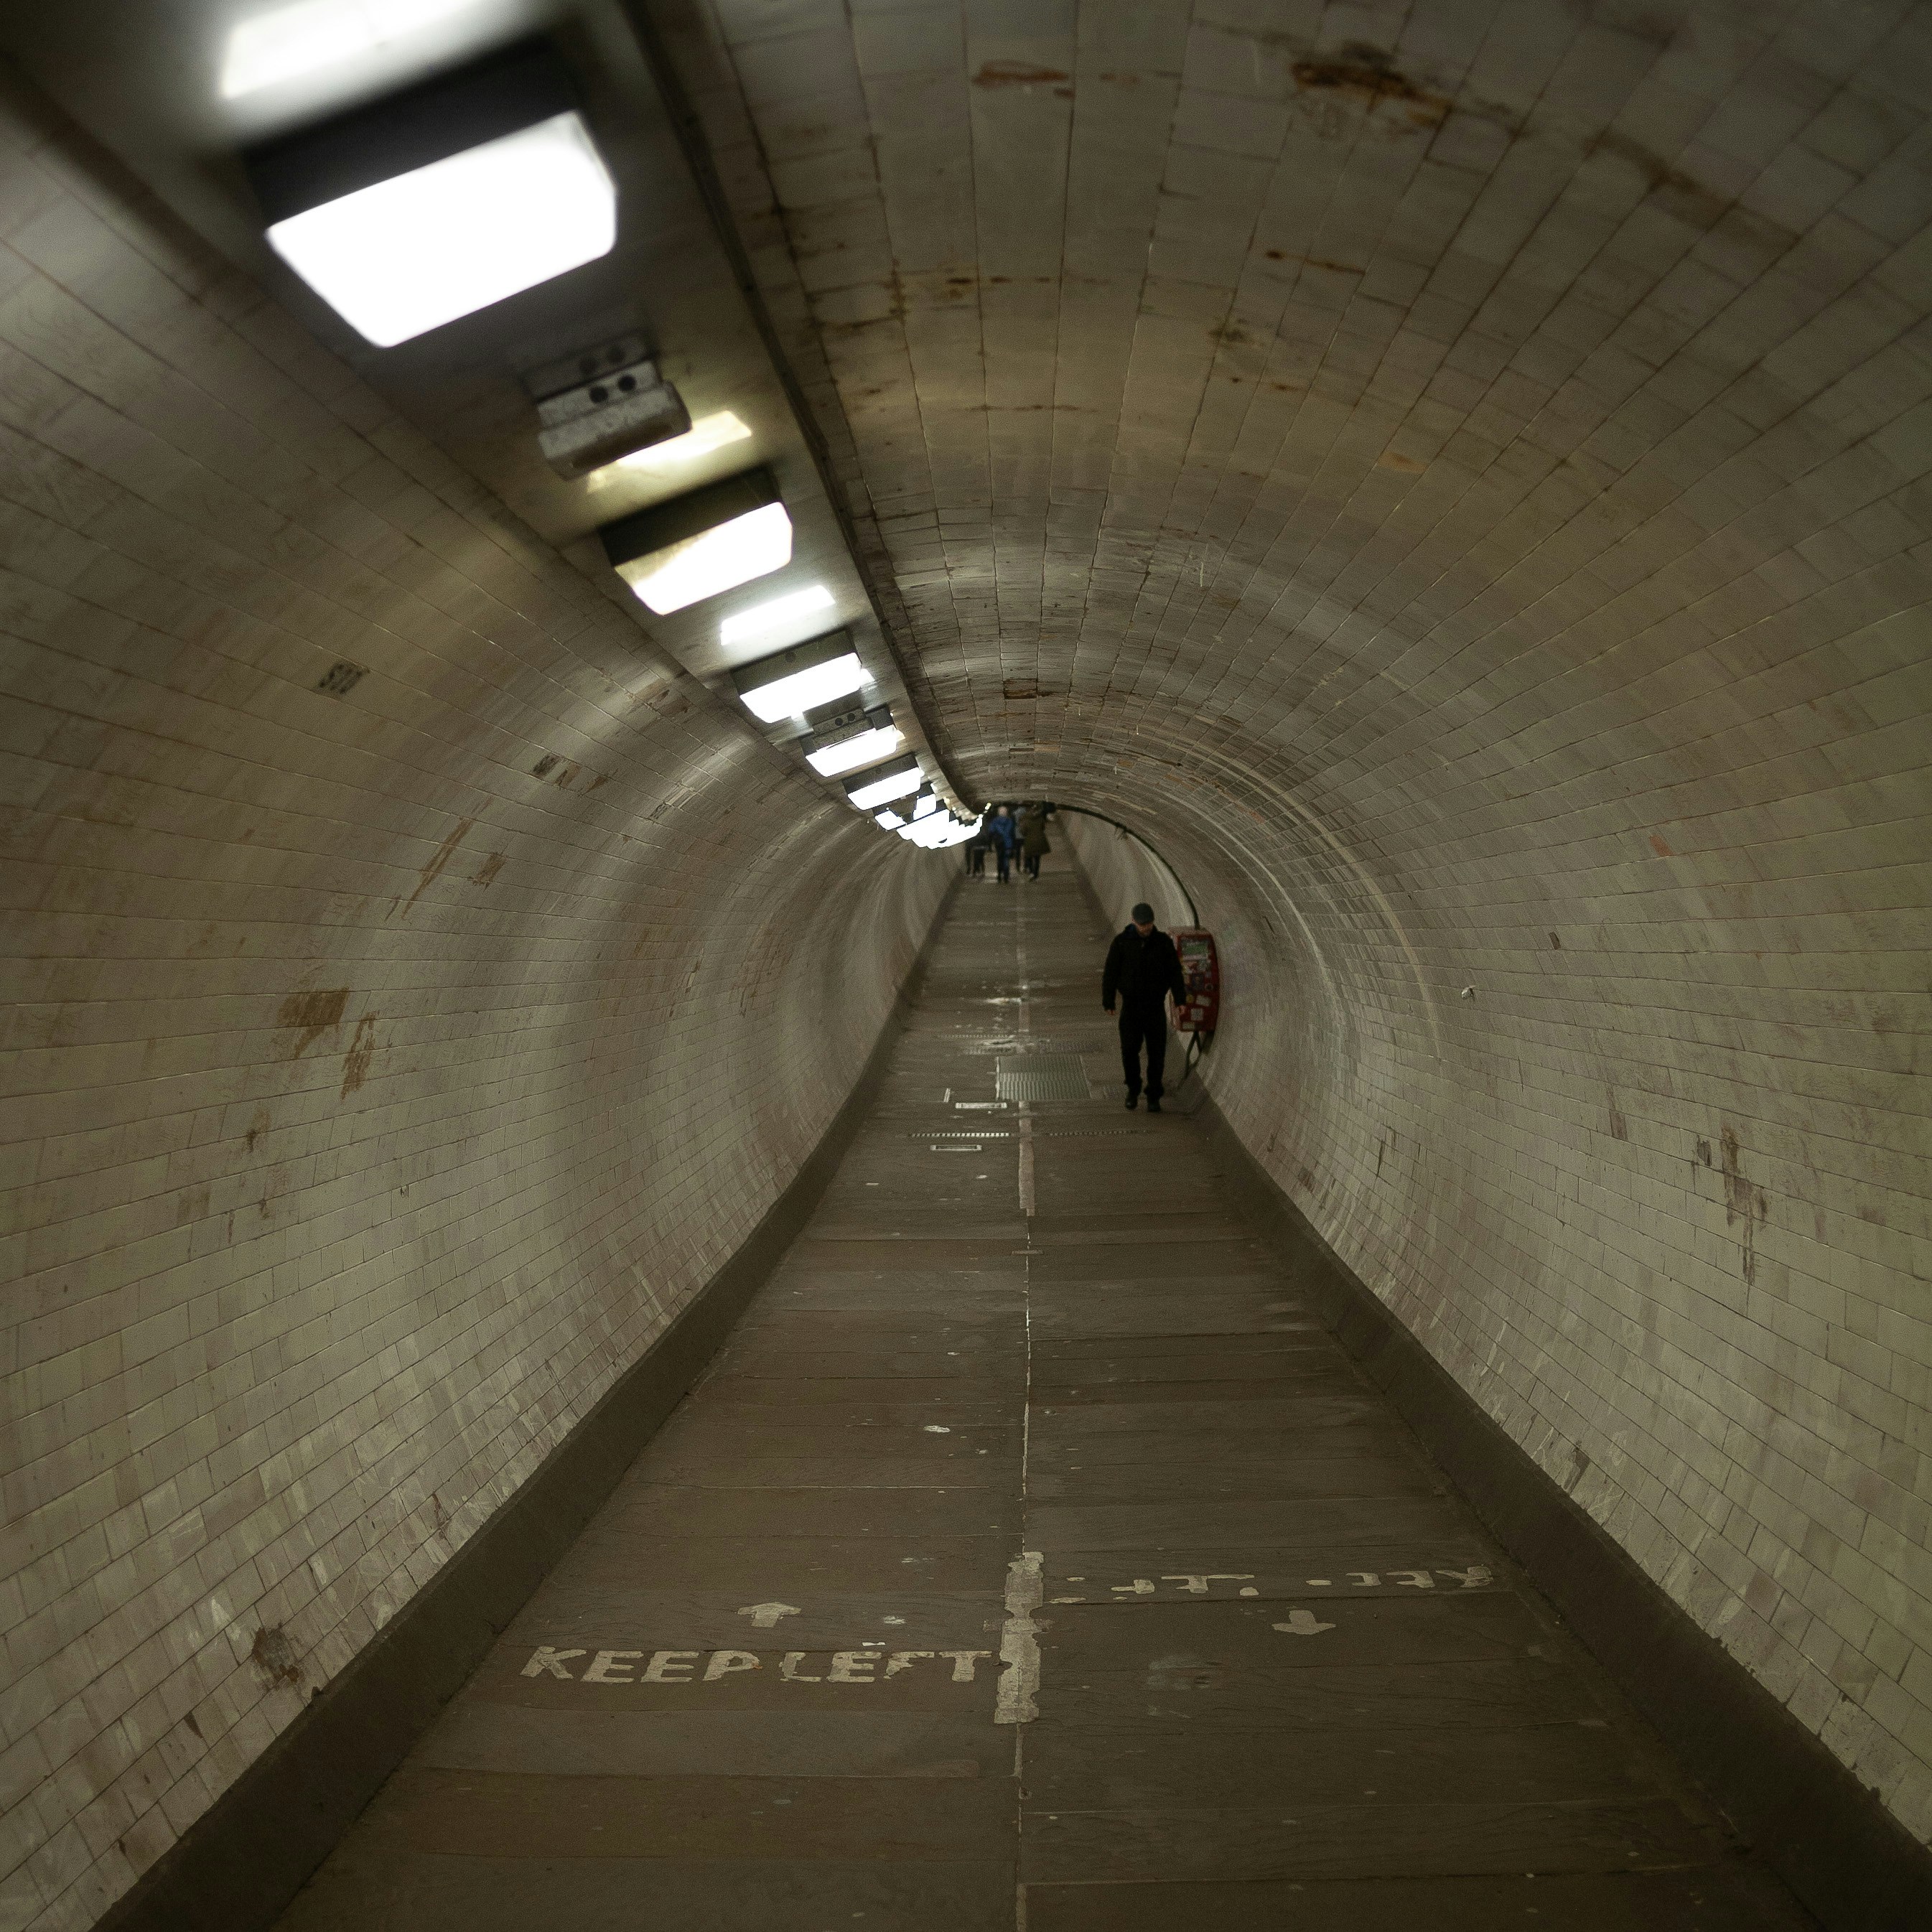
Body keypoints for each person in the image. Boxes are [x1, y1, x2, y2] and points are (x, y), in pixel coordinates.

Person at [1102, 901, 1185, 1111]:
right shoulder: (1121, 943)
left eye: (1148, 924)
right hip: (1131, 1007)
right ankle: (1133, 1088)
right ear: (1133, 922)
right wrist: (1109, 1000)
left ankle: (1154, 1094)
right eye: (1141, 925)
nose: (1145, 928)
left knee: (1157, 1053)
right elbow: (1111, 972)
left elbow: (1174, 972)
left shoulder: (1163, 943)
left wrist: (1180, 1000)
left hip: (1155, 1007)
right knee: (1129, 1050)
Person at [1019, 801, 1053, 879]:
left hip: (1029, 841)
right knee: (1037, 859)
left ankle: (1031, 872)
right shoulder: (1040, 818)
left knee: (1029, 857)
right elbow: (1043, 827)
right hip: (1040, 840)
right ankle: (1036, 873)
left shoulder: (1025, 819)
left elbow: (1023, 832)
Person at [989, 805, 1018, 884]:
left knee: (999, 859)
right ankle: (1006, 877)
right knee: (1006, 860)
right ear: (1006, 813)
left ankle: (999, 876)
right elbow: (1013, 834)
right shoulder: (1010, 821)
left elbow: (991, 831)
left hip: (998, 843)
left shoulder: (995, 821)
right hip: (1008, 843)